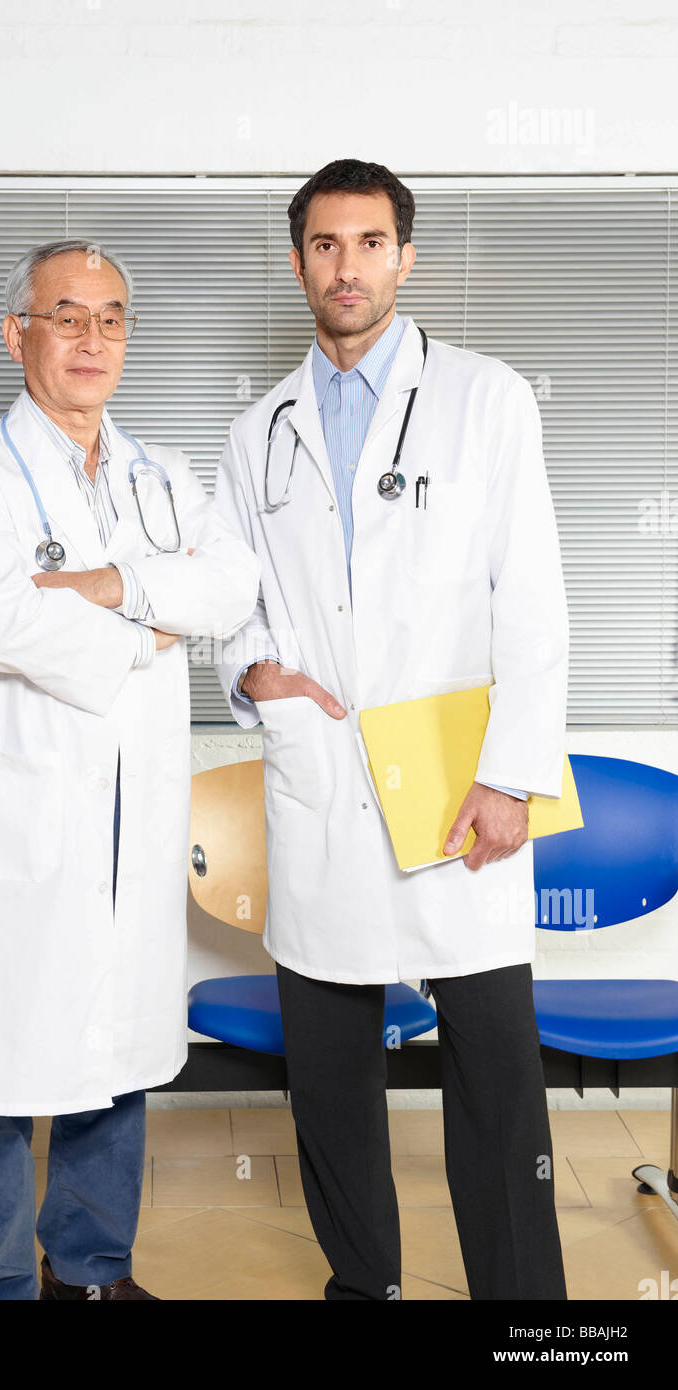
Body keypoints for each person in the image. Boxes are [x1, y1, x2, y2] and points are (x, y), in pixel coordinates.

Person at [213, 159, 569, 1300]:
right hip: (321, 792)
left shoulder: (486, 398)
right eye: (325, 244)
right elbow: (232, 601)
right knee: (327, 1081)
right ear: (298, 262)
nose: (347, 265)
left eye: (369, 242)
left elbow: (536, 602)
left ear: (404, 257)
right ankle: (363, 1289)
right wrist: (252, 671)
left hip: (460, 787)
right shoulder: (256, 431)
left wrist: (511, 775)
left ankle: (526, 1315)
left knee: (497, 1080)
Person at [0, 238, 260, 1300]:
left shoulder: (161, 472)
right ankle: (0, 1286)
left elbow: (231, 584)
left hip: (136, 804)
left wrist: (104, 585)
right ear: (20, 334)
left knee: (119, 1044)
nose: (92, 338)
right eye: (67, 315)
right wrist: (152, 619)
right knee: (2, 1048)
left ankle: (94, 1268)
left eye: (111, 318)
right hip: (29, 807)